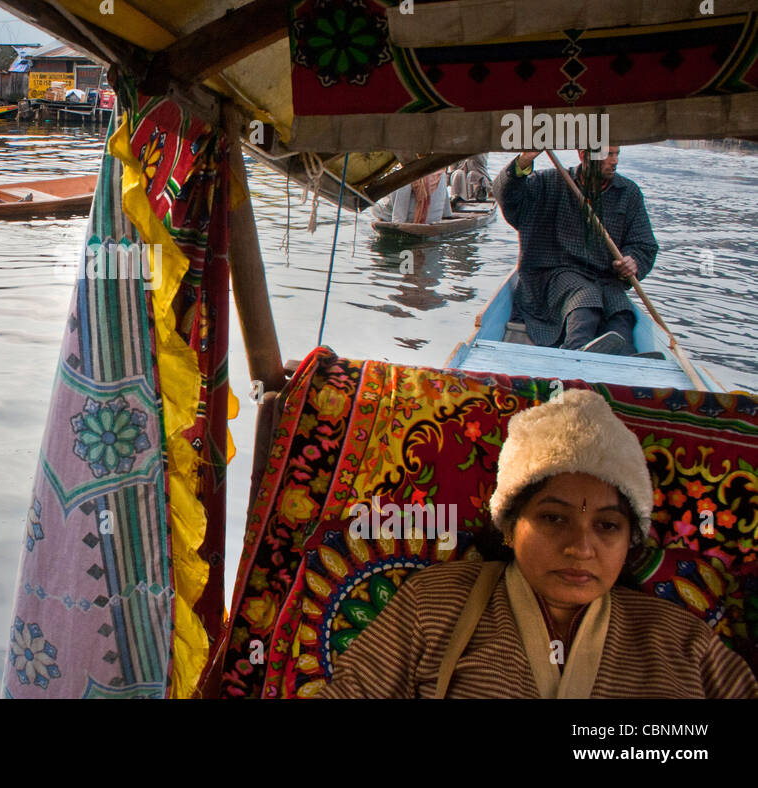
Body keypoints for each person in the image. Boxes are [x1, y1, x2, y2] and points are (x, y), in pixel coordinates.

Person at [317, 390, 758, 698]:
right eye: (553, 518)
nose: (580, 548)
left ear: (631, 541)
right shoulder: (435, 603)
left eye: (607, 526)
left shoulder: (680, 639)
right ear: (509, 526)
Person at [493, 147, 657, 354]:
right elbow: (506, 195)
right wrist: (523, 161)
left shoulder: (627, 192)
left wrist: (633, 261)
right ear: (583, 155)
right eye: (607, 155)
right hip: (551, 275)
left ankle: (626, 357)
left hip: (604, 280)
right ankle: (576, 350)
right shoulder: (548, 182)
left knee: (621, 311)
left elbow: (644, 244)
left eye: (617, 154)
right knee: (585, 298)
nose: (614, 161)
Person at [371, 171, 452, 224]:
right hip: (435, 218)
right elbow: (446, 208)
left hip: (413, 219)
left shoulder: (409, 173)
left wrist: (397, 223)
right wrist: (447, 215)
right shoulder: (442, 173)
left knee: (375, 207)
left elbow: (400, 213)